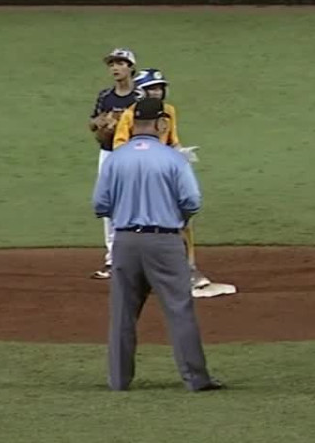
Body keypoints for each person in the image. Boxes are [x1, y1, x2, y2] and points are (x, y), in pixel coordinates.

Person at [93, 97, 223, 392]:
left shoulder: (116, 159)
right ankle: (196, 380)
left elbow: (100, 204)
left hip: (125, 242)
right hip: (164, 241)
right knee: (179, 309)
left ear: (132, 123)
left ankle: (118, 380)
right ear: (160, 123)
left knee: (122, 313)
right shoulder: (173, 159)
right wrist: (174, 215)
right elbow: (192, 201)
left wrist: (126, 210)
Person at [112, 69, 234, 299]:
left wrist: (180, 153)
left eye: (159, 88)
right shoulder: (129, 116)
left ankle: (188, 270)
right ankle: (152, 274)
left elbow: (172, 141)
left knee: (183, 222)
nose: (157, 92)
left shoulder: (169, 112)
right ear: (141, 92)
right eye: (151, 88)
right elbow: (119, 148)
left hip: (163, 173)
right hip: (139, 176)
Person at [89, 48, 141, 279]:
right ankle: (112, 260)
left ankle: (139, 258)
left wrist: (122, 124)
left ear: (131, 67)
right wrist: (101, 122)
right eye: (112, 64)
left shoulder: (140, 96)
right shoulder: (105, 96)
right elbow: (92, 123)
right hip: (108, 154)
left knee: (137, 201)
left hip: (135, 154)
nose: (115, 68)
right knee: (109, 204)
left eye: (120, 63)